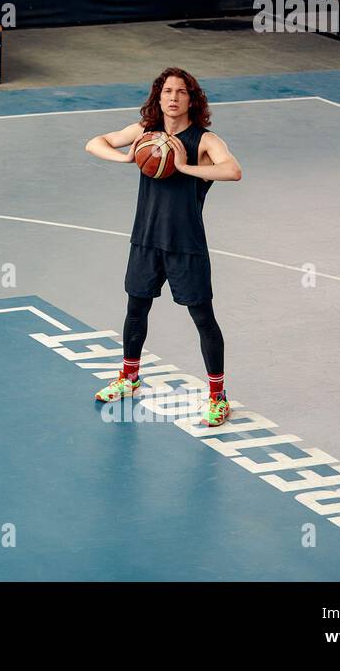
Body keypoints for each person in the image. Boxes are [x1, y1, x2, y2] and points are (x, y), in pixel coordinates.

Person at [83, 68, 242, 426]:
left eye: (180, 92)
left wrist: (183, 165)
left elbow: (233, 170)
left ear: (192, 99)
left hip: (186, 245)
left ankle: (218, 397)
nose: (173, 98)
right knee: (136, 309)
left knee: (203, 319)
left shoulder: (203, 140)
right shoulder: (144, 134)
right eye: (167, 91)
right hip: (146, 239)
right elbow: (94, 142)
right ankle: (129, 377)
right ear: (158, 98)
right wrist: (126, 157)